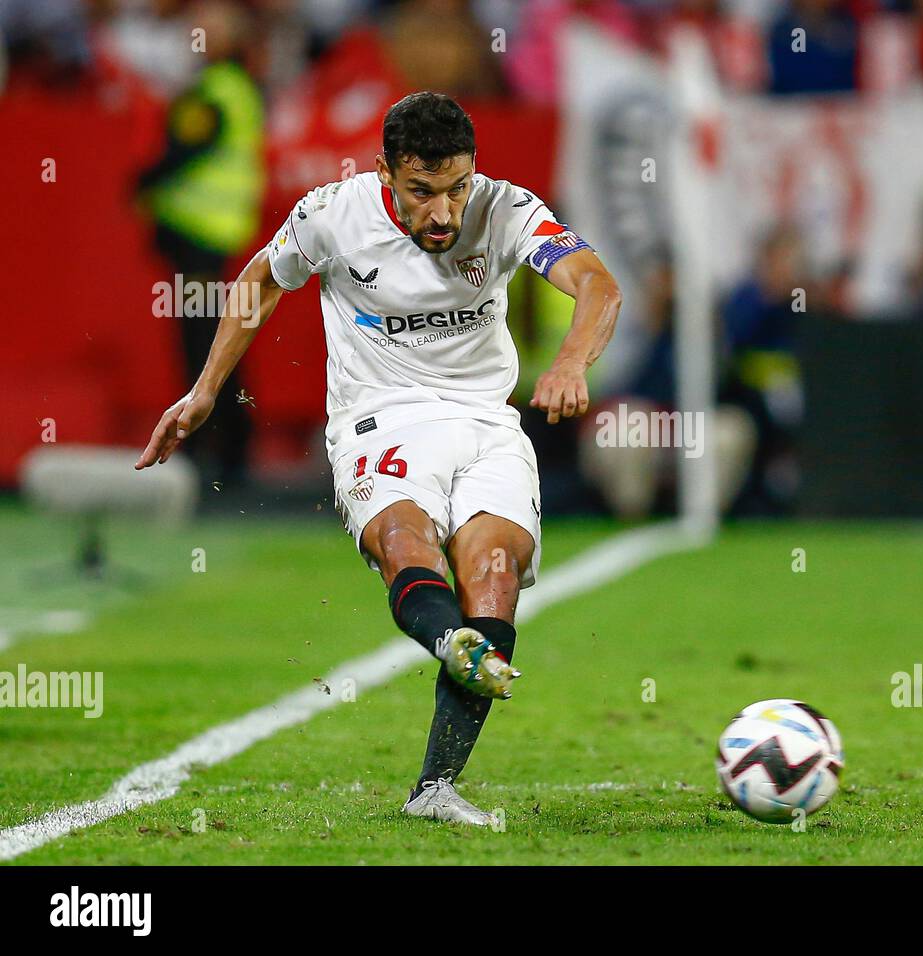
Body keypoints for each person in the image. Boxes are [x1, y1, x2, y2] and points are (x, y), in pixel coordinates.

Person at [135, 92, 622, 826]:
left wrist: (572, 361)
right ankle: (446, 638)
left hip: (487, 420)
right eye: (422, 192)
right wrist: (205, 391)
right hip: (380, 418)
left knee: (495, 574)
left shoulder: (507, 208)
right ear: (386, 173)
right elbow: (260, 281)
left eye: (456, 188)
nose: (444, 213)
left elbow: (597, 283)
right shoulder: (334, 214)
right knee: (406, 542)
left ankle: (435, 788)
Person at [135, 0, 266, 488]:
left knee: (206, 344)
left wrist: (142, 183)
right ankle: (225, 448)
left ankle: (223, 452)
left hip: (201, 240)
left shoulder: (216, 91)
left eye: (206, 29)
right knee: (212, 338)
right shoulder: (234, 89)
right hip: (210, 239)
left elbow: (185, 149)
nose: (197, 35)